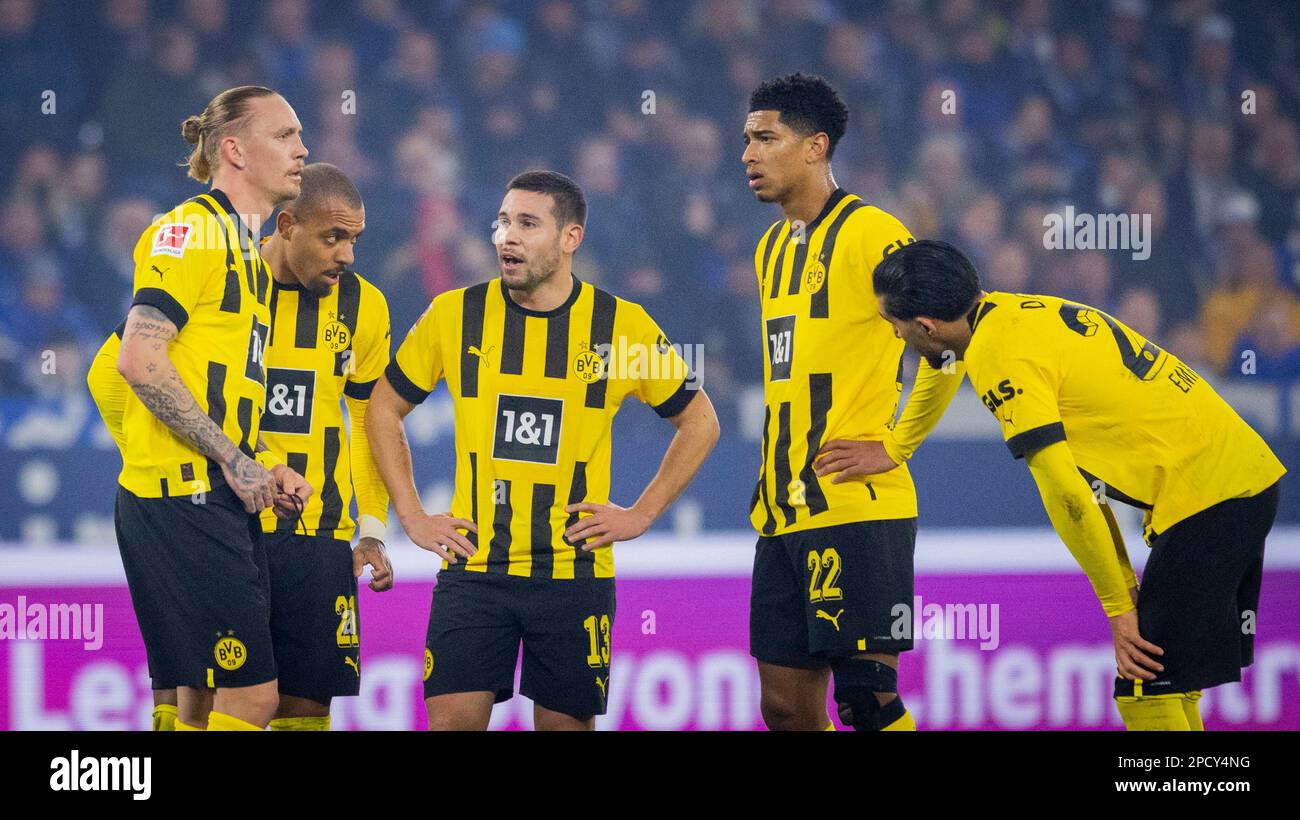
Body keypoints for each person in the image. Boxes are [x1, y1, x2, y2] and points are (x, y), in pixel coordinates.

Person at [872, 239, 1286, 731]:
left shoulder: (997, 356)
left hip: (1212, 495)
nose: (895, 336)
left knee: (1143, 684)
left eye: (893, 325)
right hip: (1236, 479)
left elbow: (1068, 494)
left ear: (925, 326)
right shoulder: (1010, 312)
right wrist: (896, 447)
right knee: (1172, 682)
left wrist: (1118, 608)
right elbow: (945, 368)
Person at [367, 170, 720, 730]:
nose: (507, 236)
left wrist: (642, 513)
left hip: (572, 573)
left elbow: (700, 422)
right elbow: (381, 408)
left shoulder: (621, 328)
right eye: (503, 221)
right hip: (474, 570)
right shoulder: (454, 314)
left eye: (528, 224)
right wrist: (409, 516)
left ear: (569, 238)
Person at [741, 73, 963, 731]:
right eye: (746, 139)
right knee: (784, 707)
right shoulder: (770, 250)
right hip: (783, 511)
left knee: (866, 702)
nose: (748, 154)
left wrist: (894, 445)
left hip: (853, 507)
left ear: (815, 147)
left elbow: (948, 343)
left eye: (765, 138)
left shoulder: (871, 233)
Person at [112, 86, 311, 731]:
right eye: (284, 135)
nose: (302, 149)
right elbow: (136, 361)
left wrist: (258, 463)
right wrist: (218, 459)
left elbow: (207, 384)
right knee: (252, 698)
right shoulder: (190, 231)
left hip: (205, 494)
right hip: (184, 499)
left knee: (194, 698)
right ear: (234, 150)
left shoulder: (249, 256)